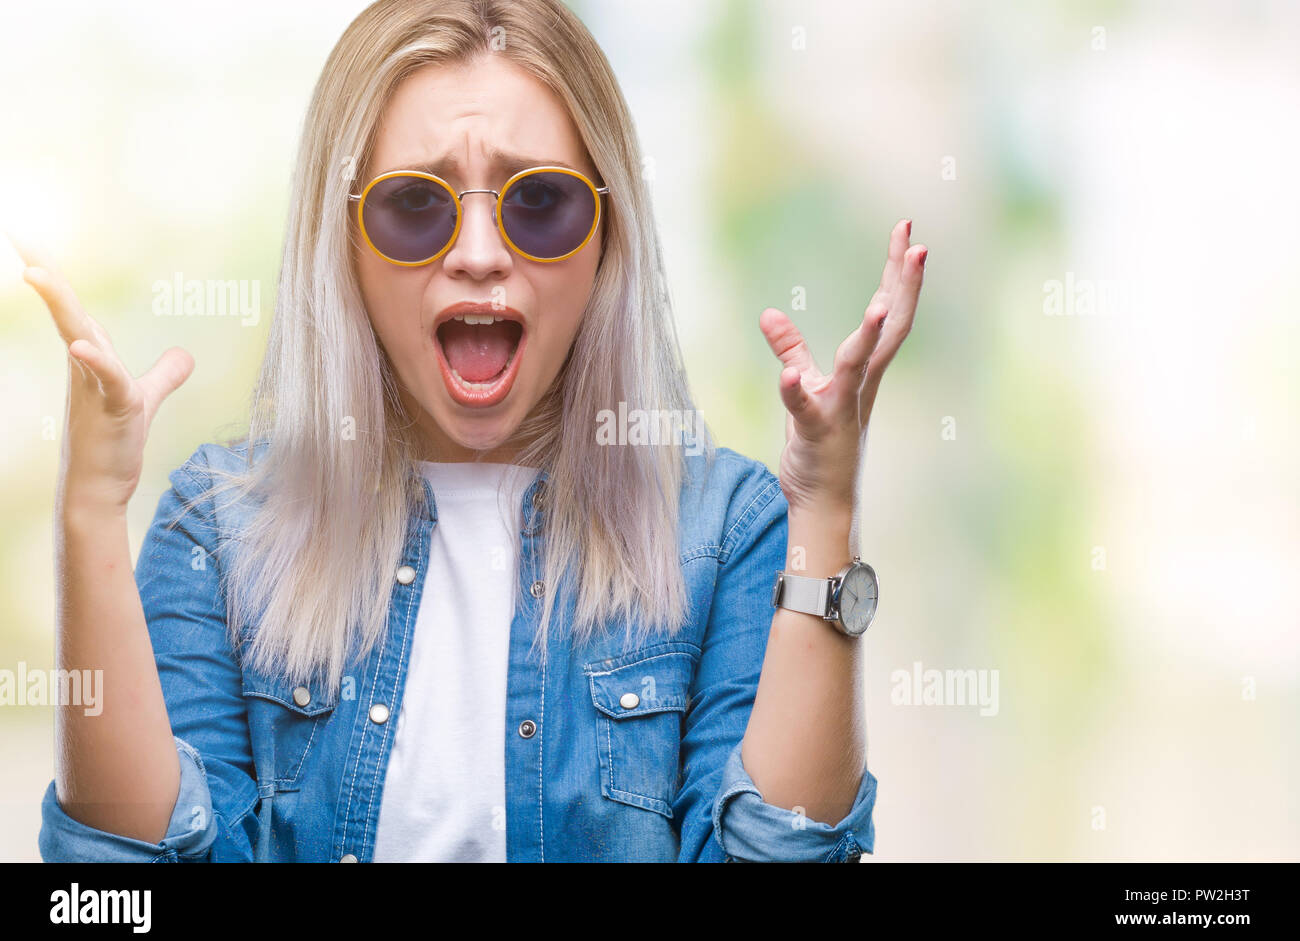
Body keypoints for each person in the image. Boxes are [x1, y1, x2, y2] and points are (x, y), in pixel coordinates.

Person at [24, 0, 927, 862]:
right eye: (415, 206)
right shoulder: (218, 526)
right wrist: (92, 514)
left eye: (540, 202)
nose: (481, 251)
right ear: (341, 241)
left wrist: (826, 506)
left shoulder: (725, 527)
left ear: (607, 235)